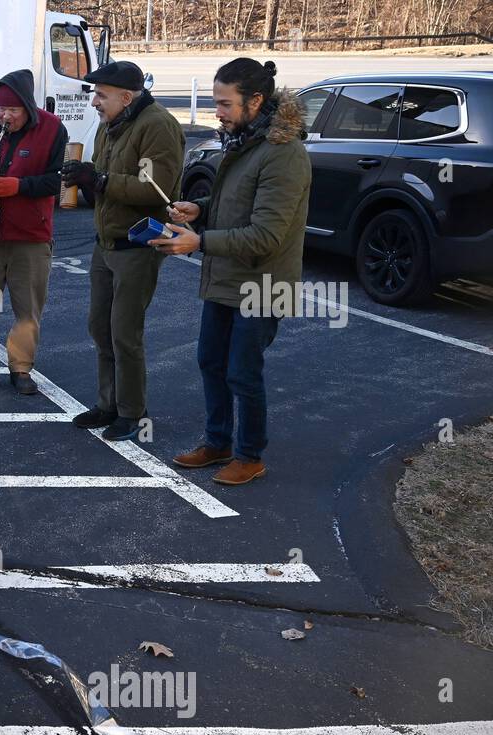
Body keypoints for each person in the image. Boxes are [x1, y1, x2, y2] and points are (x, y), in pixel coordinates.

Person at [151, 58, 311, 485]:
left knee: (243, 370)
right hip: (226, 276)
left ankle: (249, 454)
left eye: (224, 103)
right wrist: (199, 210)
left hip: (265, 283)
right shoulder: (243, 140)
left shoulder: (283, 153)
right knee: (210, 361)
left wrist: (198, 241)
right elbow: (235, 206)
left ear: (255, 101)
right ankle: (217, 442)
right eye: (215, 102)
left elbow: (266, 235)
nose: (216, 112)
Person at [62, 61, 184, 442]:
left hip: (138, 244)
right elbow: (104, 178)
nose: (95, 101)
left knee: (124, 332)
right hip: (107, 243)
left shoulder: (157, 125)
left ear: (126, 96)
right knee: (100, 327)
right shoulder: (111, 123)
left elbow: (155, 189)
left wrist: (99, 180)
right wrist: (86, 179)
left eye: (101, 94)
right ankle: (108, 404)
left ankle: (132, 412)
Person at [0, 69, 68, 396]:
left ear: (28, 108)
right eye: (0, 109)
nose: (5, 116)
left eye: (13, 110)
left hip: (31, 237)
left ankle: (21, 368)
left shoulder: (52, 129)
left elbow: (57, 180)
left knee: (27, 307)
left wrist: (19, 186)